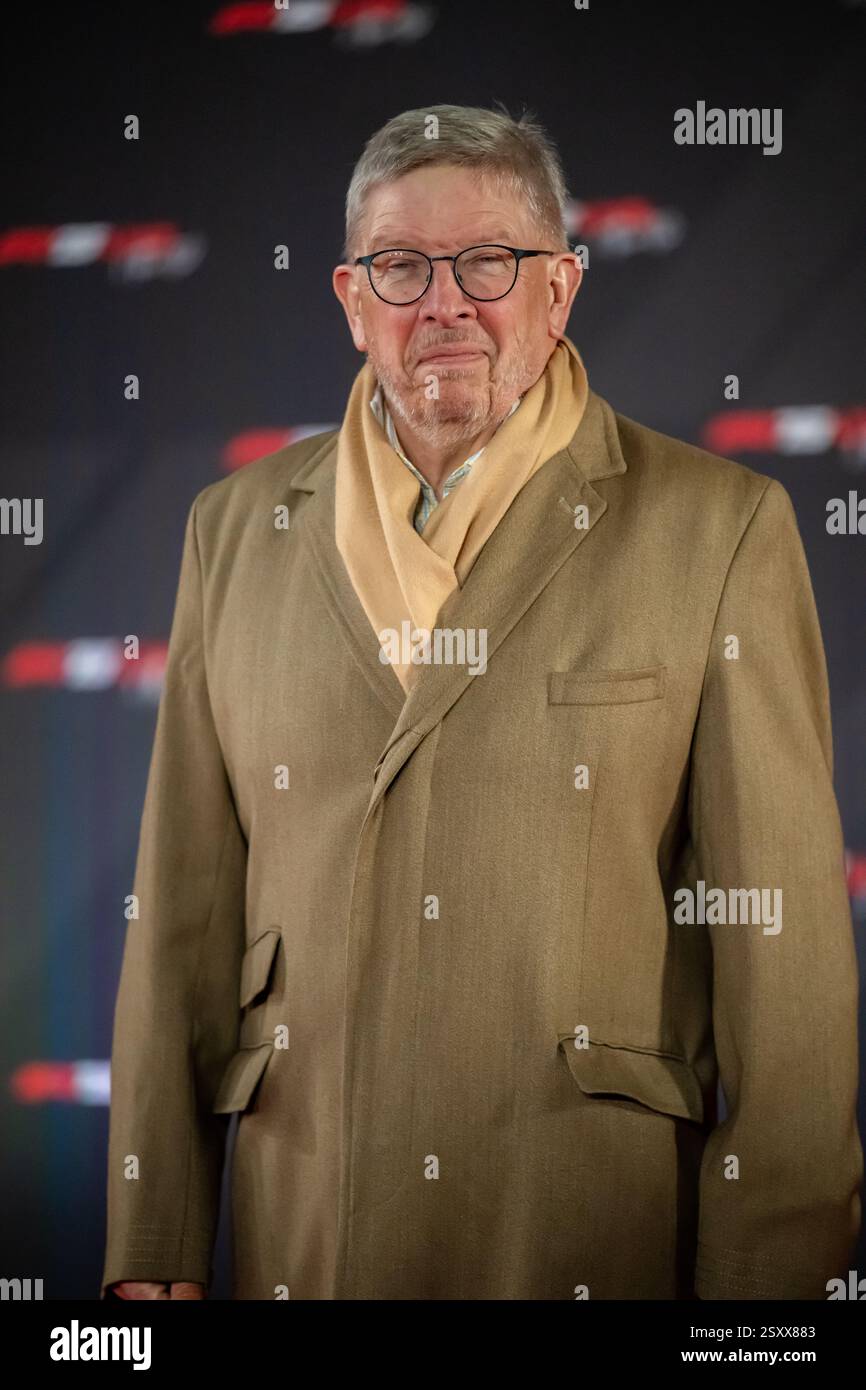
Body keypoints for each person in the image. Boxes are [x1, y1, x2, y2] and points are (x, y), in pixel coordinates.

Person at [102, 104, 861, 1301]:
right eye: (403, 267)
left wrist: (764, 1308)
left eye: (488, 263)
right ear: (351, 299)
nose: (444, 303)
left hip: (582, 1232)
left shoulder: (717, 530)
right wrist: (150, 1252)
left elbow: (787, 978)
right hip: (307, 1237)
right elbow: (182, 917)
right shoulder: (233, 533)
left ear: (559, 289)